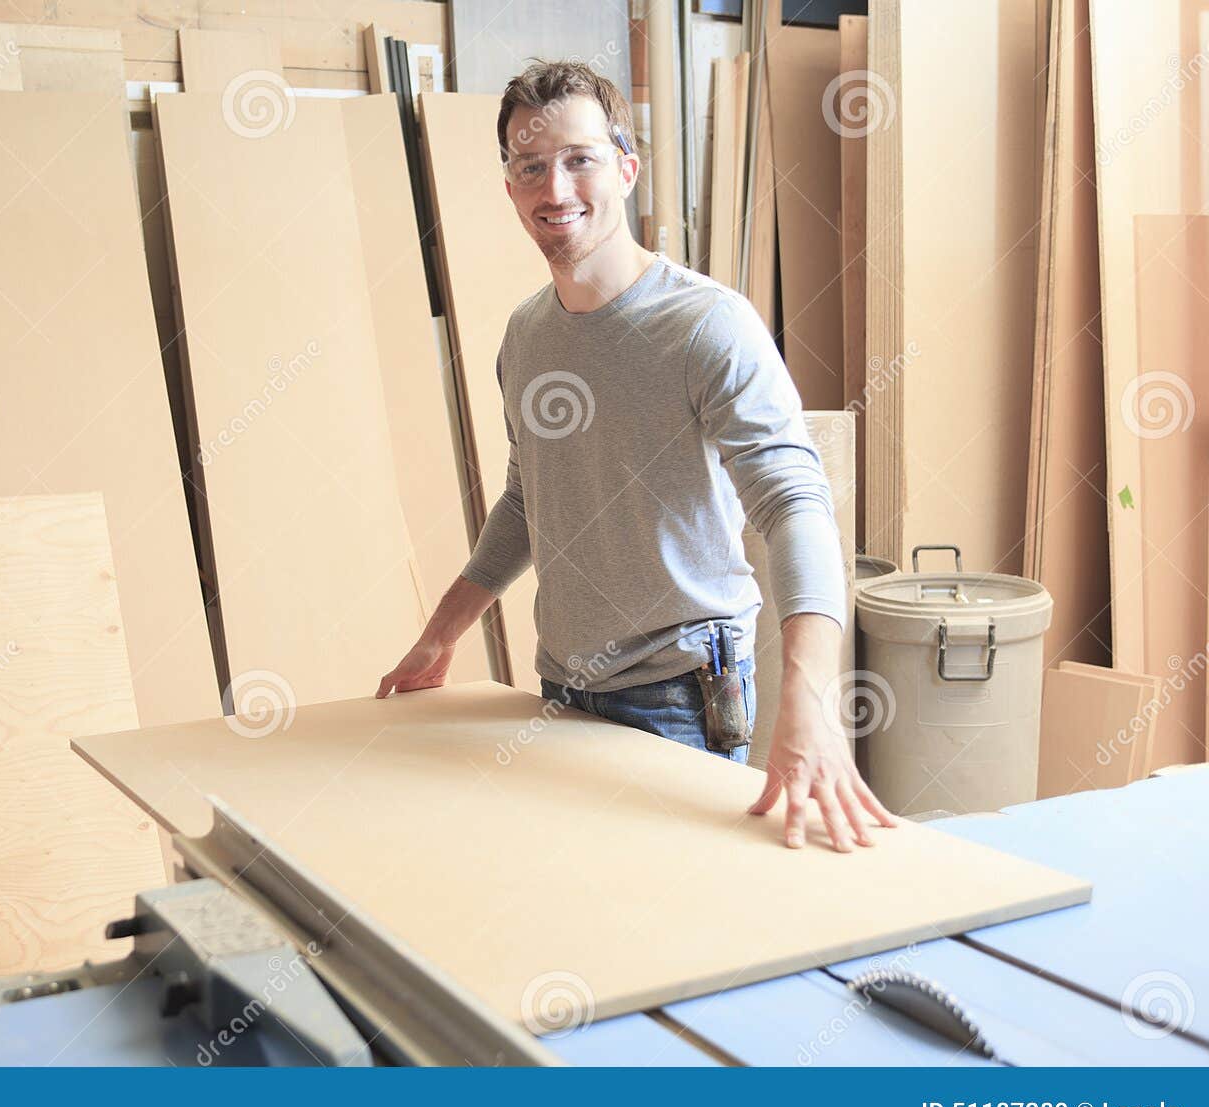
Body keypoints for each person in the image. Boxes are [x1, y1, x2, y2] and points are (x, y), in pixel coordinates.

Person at [376, 60, 896, 853]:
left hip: (679, 692)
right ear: (510, 186)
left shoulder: (705, 326)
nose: (556, 188)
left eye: (579, 159)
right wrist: (442, 634)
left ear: (625, 167)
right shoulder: (527, 334)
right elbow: (529, 497)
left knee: (678, 920)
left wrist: (812, 695)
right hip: (562, 683)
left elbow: (794, 503)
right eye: (531, 166)